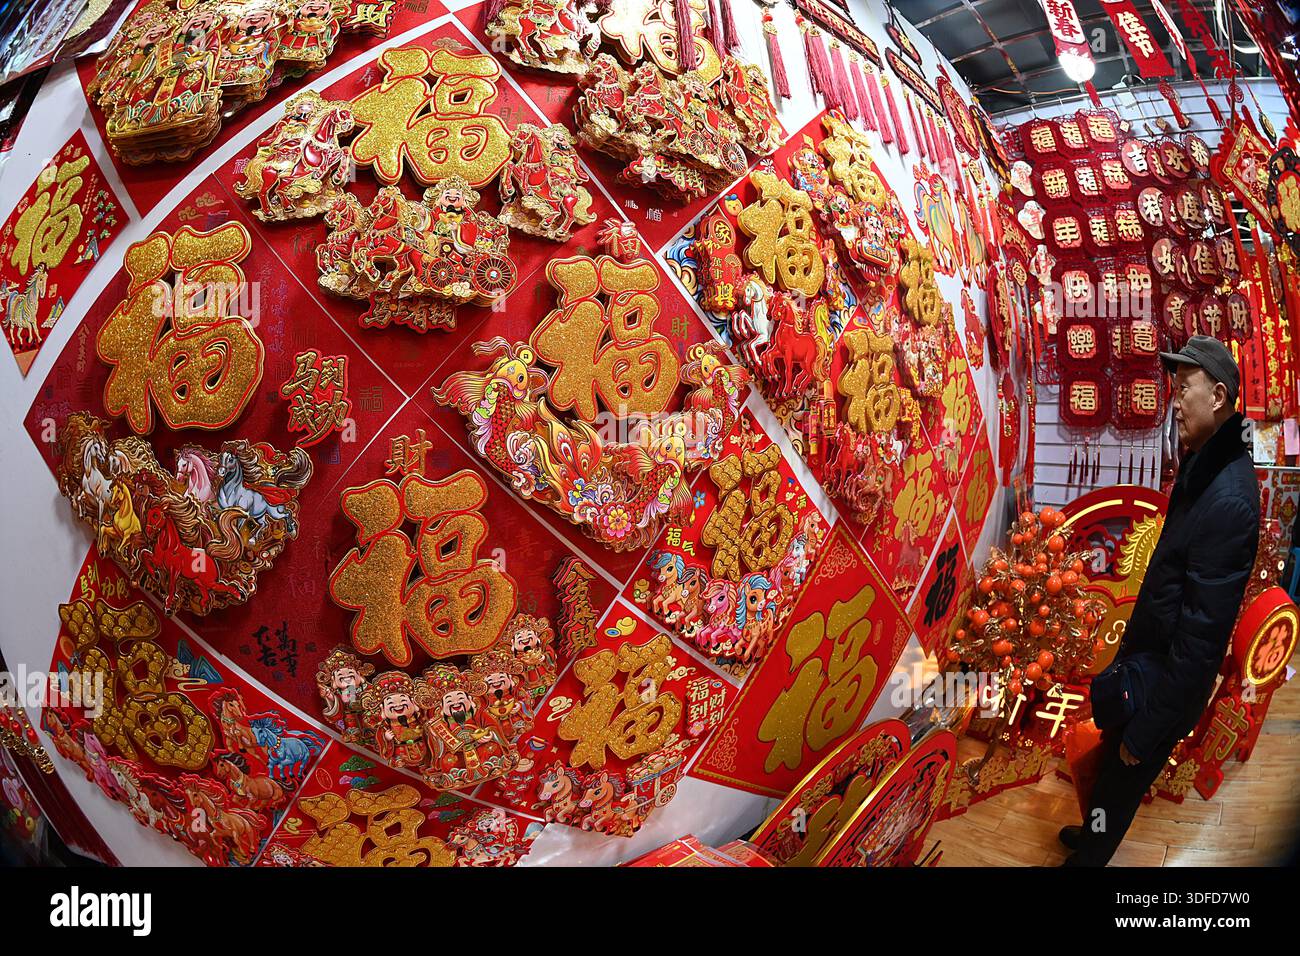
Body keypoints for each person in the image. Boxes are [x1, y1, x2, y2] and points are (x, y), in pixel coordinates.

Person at [1061, 335, 1260, 866]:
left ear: (1218, 396)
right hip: (1148, 662)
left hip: (1165, 687)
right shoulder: (1206, 463)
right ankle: (1091, 832)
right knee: (1109, 779)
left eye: (1183, 388)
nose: (1173, 400)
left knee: (1122, 785)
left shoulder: (1232, 499)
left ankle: (1088, 858)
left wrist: (1149, 729)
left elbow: (1201, 640)